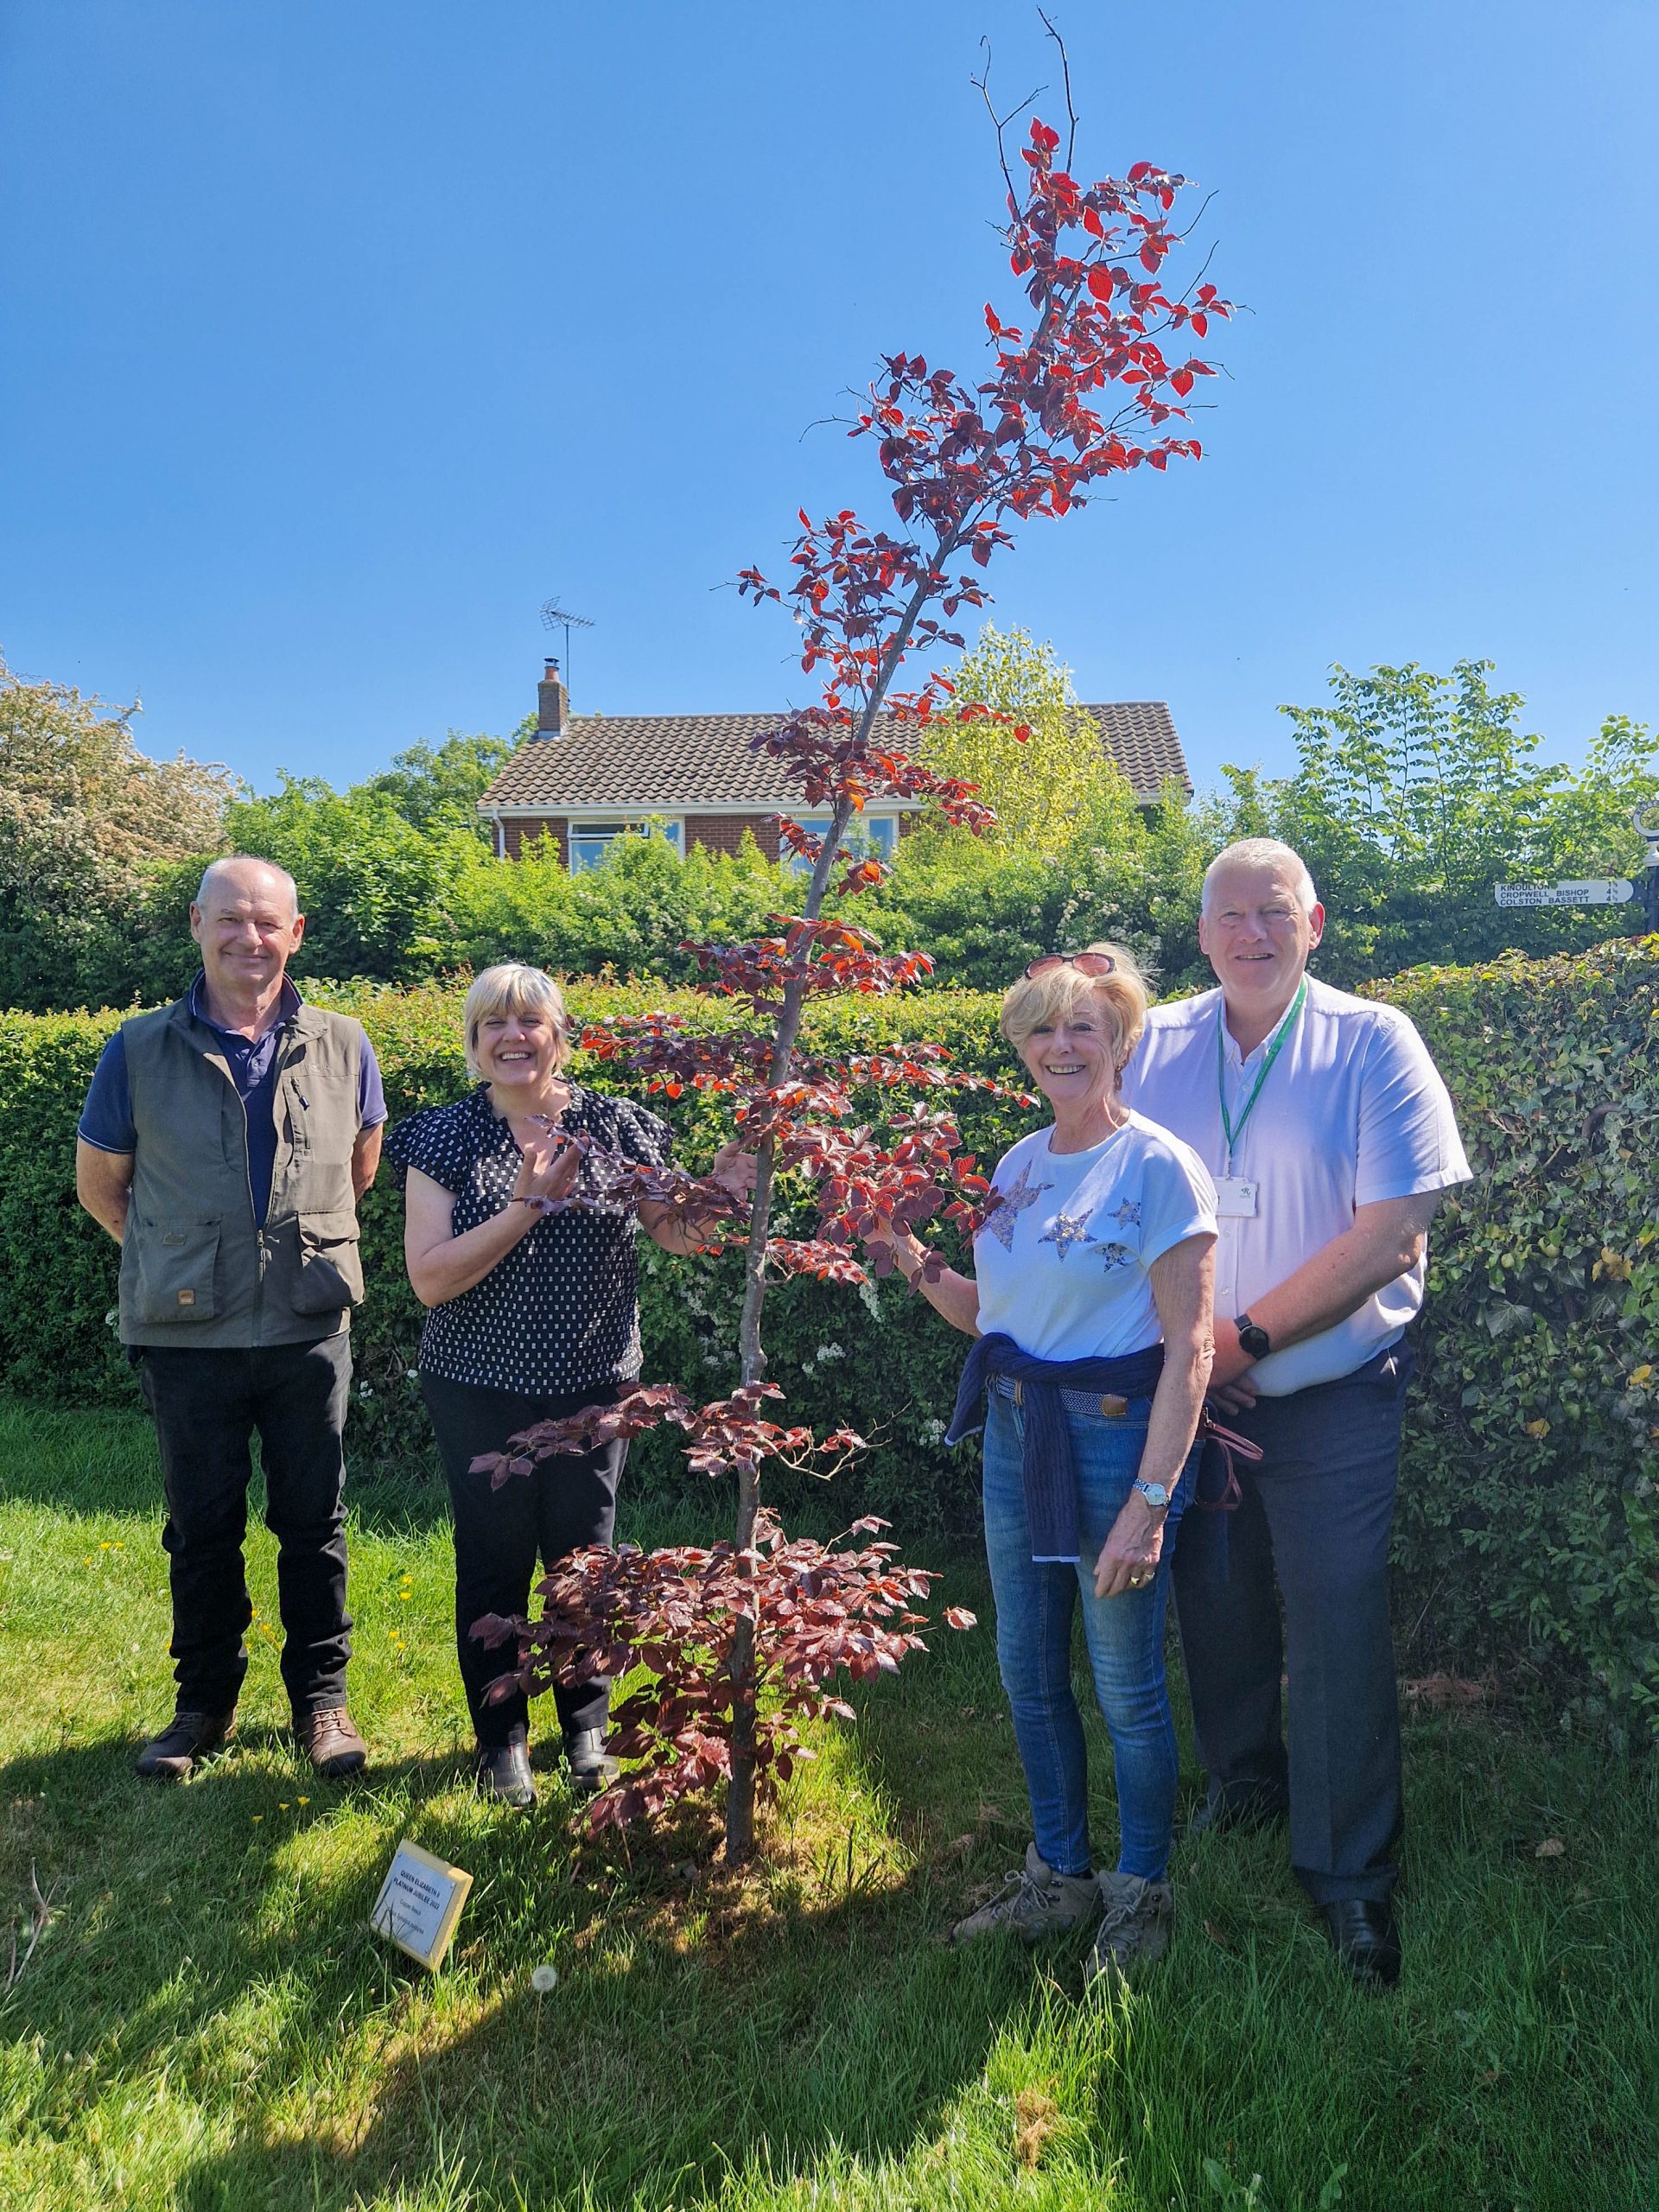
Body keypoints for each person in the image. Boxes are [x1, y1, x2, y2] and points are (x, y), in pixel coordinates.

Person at [1121, 837, 1472, 1988]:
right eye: (1231, 916)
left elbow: (1392, 1230)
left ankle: (1350, 1879)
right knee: (1214, 1600)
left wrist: (1245, 1340)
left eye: (1275, 912)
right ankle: (1247, 1787)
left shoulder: (1374, 1041)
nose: (1253, 935)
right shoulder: (1154, 1041)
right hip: (1194, 1398)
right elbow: (1072, 1103)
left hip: (1326, 1395)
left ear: (1314, 922)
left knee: (1335, 1622)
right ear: (1203, 932)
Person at [865, 945, 1217, 1982]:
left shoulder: (1157, 1165)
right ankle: (1059, 1874)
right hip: (1019, 1435)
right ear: (1021, 1046)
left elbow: (1190, 1345)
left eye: (1084, 1028)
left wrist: (1150, 1503)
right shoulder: (1016, 1165)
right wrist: (910, 1254)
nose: (1062, 1045)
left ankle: (1140, 1887)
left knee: (1125, 1683)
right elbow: (994, 1317)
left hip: (1115, 1438)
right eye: (1042, 1028)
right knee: (1027, 1674)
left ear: (1120, 1042)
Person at [387, 963, 756, 1810]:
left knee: (584, 1562)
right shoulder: (444, 1138)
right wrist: (525, 1205)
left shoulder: (619, 1126)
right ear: (474, 1044)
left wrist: (728, 1184)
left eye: (531, 1020)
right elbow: (431, 1280)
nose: (513, 1036)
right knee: (492, 1563)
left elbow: (679, 1235)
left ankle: (586, 1727)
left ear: (562, 1033)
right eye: (492, 1025)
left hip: (595, 1391)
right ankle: (503, 1740)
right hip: (478, 1387)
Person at [75, 855, 387, 1782]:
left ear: (295, 934)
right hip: (187, 1334)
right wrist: (182, 1261)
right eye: (232, 919)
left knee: (313, 1522)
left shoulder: (344, 1041)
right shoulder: (137, 1047)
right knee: (200, 1528)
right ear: (197, 923)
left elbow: (360, 1165)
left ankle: (322, 1704)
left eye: (268, 923)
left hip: (307, 1327)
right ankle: (203, 1706)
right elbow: (103, 1186)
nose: (249, 938)